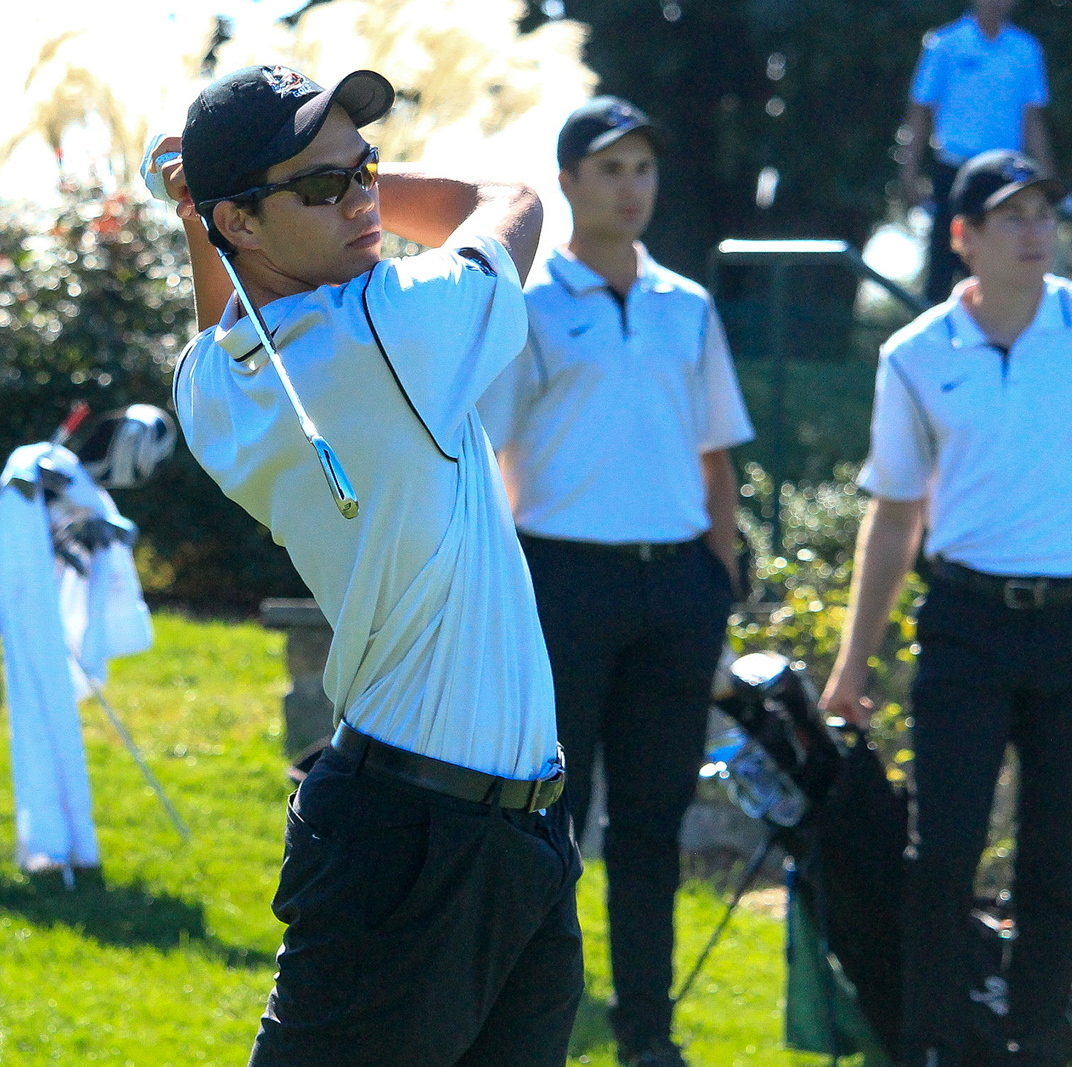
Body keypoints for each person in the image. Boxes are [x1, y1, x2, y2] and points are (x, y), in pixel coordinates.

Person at [156, 64, 580, 1066]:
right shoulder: (395, 325)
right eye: (321, 186)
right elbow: (509, 202)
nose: (360, 203)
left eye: (366, 171)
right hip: (418, 842)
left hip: (492, 834)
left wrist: (212, 222)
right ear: (245, 224)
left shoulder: (209, 389)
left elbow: (223, 322)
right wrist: (212, 214)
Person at [477, 97, 754, 1067]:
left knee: (650, 824)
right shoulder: (530, 305)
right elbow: (490, 453)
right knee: (546, 814)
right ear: (565, 182)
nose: (630, 186)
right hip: (563, 584)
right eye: (609, 168)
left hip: (676, 588)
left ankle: (647, 1033)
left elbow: (714, 457)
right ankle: (526, 1016)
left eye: (642, 168)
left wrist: (717, 575)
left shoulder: (688, 304)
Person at [823, 151, 1072, 1067]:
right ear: (962, 237)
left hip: (1069, 628)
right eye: (1011, 216)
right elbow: (893, 518)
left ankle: (1042, 1043)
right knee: (942, 853)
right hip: (965, 626)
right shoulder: (914, 353)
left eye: (1045, 210)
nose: (1035, 229)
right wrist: (854, 664)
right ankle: (931, 1041)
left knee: (1058, 861)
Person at [900, 0, 1055, 305]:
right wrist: (908, 171)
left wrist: (1046, 176)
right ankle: (937, 349)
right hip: (953, 170)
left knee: (1004, 262)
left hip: (1005, 176)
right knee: (943, 266)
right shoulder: (945, 43)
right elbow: (920, 111)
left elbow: (1032, 119)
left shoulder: (1025, 49)